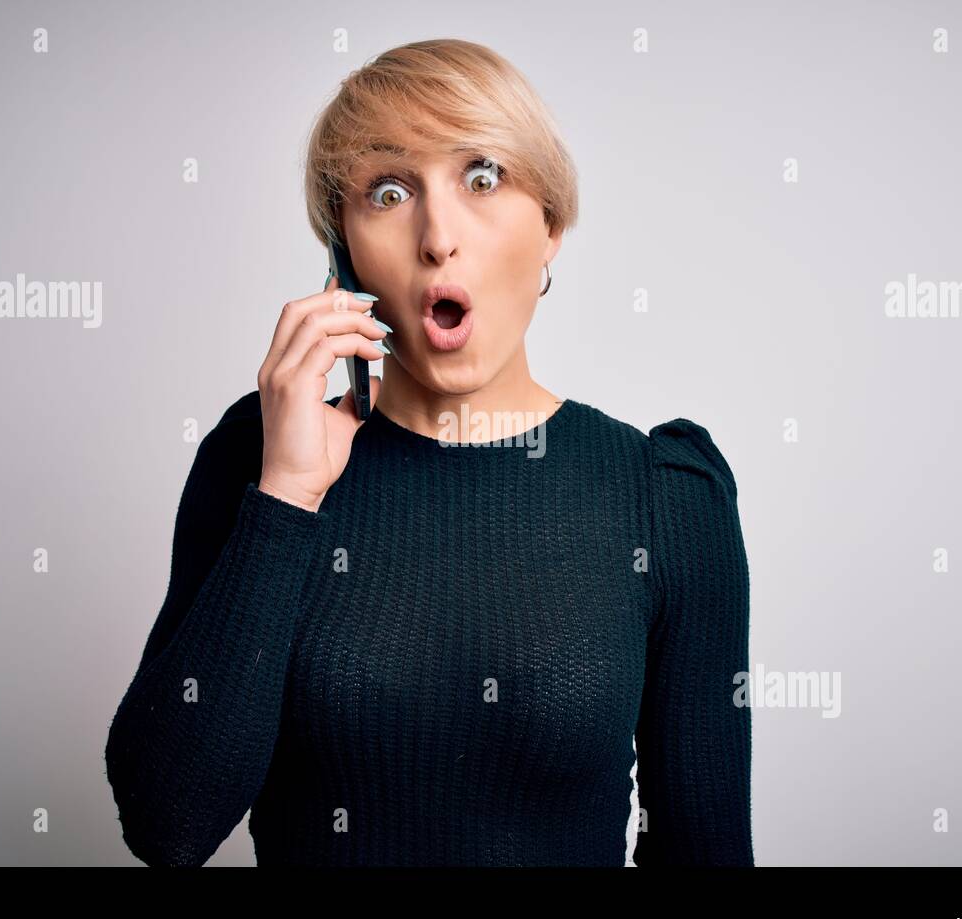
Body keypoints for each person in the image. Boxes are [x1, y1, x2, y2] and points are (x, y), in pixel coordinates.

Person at [104, 37, 753, 867]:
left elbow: (707, 855)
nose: (439, 236)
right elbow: (167, 826)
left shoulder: (664, 497)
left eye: (483, 178)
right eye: (388, 191)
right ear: (344, 250)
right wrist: (286, 498)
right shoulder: (256, 459)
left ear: (550, 223)